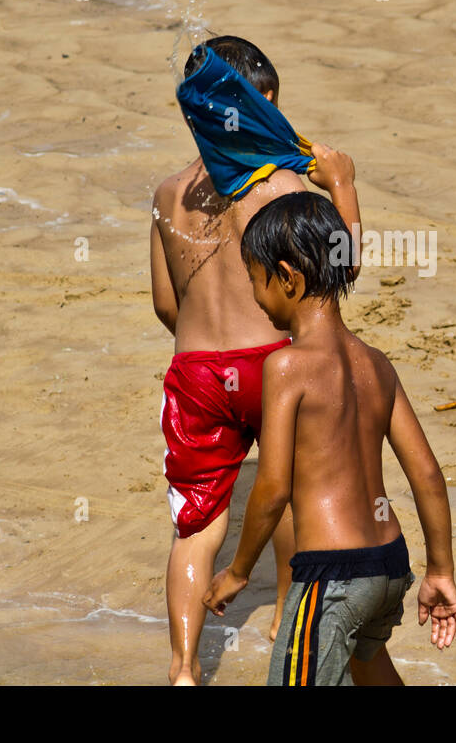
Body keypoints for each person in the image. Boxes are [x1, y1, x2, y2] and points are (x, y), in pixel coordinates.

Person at [151, 36, 360, 685]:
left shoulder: (166, 193)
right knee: (293, 493)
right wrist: (345, 184)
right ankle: (282, 623)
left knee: (195, 527)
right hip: (271, 364)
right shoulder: (279, 186)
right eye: (266, 109)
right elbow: (339, 267)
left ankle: (184, 670)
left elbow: (165, 304)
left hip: (196, 373)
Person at [202, 192, 456, 685]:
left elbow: (274, 486)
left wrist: (237, 571)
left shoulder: (286, 366)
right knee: (369, 667)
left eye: (256, 281)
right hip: (388, 564)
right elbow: (427, 473)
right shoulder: (376, 364)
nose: (256, 298)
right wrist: (440, 570)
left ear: (287, 278)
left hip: (333, 576)